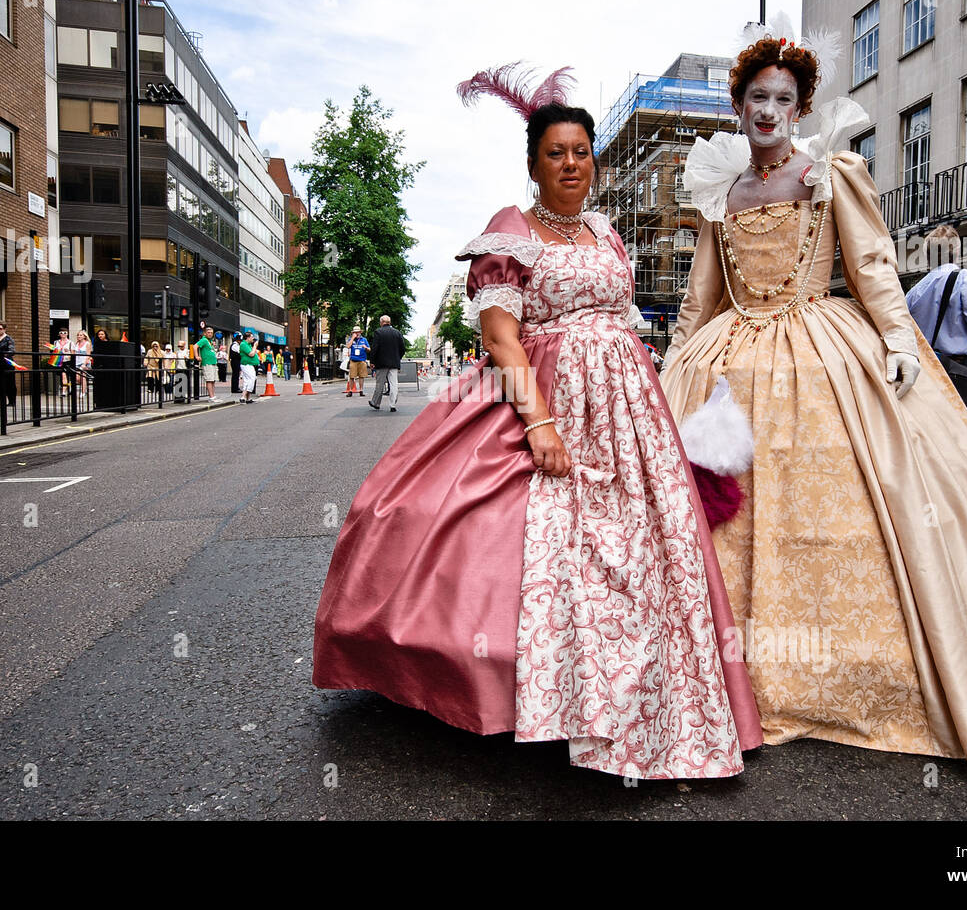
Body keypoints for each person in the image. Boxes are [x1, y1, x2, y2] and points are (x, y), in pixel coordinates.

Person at [660, 29, 967, 760]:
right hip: (727, 360)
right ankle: (728, 675)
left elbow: (870, 268)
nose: (769, 111)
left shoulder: (829, 173)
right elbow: (700, 298)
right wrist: (670, 366)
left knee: (842, 510)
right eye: (757, 98)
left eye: (784, 99)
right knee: (720, 511)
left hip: (821, 352)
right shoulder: (720, 193)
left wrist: (898, 340)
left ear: (799, 110)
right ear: (738, 106)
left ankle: (844, 676)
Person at [314, 69, 761, 780]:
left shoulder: (609, 233)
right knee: (476, 525)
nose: (571, 163)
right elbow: (500, 338)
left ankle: (647, 698)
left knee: (645, 549)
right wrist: (541, 423)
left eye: (581, 151)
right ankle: (528, 692)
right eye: (556, 153)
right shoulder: (510, 231)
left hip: (625, 407)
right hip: (541, 393)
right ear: (533, 165)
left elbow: (621, 323)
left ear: (595, 161)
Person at [905, 225, 967, 433]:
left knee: (936, 431)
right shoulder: (965, 278)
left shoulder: (916, 290)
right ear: (956, 251)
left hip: (927, 367)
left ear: (928, 255)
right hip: (959, 368)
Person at [368, 314, 407, 412]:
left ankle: (376, 403)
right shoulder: (397, 332)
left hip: (381, 363)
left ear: (381, 322)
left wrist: (372, 361)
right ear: (389, 322)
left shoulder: (378, 332)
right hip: (394, 363)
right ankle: (392, 405)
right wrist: (398, 358)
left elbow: (375, 348)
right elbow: (402, 348)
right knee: (394, 384)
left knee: (380, 383)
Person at [193, 326, 220, 402]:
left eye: (211, 333)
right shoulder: (204, 340)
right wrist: (197, 356)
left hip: (213, 362)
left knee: (213, 380)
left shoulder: (210, 341)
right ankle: (211, 397)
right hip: (207, 362)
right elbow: (195, 346)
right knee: (209, 380)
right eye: (208, 332)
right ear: (205, 333)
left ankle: (213, 396)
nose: (210, 334)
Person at [345, 327, 371, 397]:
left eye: (358, 332)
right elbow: (348, 346)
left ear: (360, 332)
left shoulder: (364, 340)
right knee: (352, 376)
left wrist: (366, 347)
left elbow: (369, 349)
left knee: (361, 376)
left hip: (362, 360)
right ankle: (350, 390)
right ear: (353, 333)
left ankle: (361, 390)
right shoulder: (351, 339)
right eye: (355, 332)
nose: (357, 333)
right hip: (353, 360)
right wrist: (353, 338)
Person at [238, 331, 260, 403]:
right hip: (246, 364)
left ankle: (247, 398)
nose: (253, 338)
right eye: (252, 337)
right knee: (252, 379)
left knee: (247, 380)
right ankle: (243, 396)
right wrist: (255, 346)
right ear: (247, 337)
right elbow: (251, 354)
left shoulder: (248, 344)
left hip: (249, 364)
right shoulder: (244, 344)